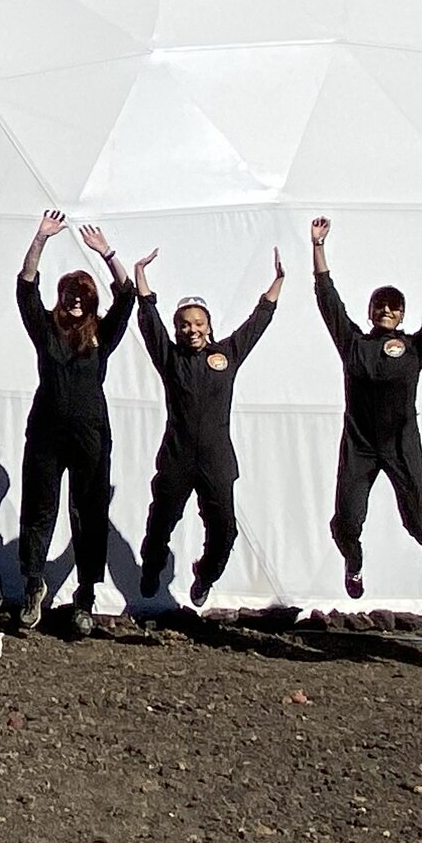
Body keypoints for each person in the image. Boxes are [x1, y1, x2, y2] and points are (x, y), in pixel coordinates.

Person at [311, 218, 422, 608]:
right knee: (347, 518)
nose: (386, 311)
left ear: (402, 314)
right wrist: (318, 248)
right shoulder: (354, 344)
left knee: (419, 518)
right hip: (360, 445)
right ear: (372, 310)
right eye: (381, 305)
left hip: (400, 444)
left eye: (394, 306)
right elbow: (328, 302)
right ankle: (353, 562)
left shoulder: (413, 348)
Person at [133, 245, 286, 609]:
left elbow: (257, 323)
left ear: (209, 326)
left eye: (198, 323)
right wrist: (140, 275)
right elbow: (148, 320)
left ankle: (206, 575)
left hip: (217, 459)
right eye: (185, 324)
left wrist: (278, 281)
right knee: (161, 521)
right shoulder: (170, 358)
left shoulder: (227, 355)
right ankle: (152, 568)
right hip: (177, 457)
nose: (191, 330)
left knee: (224, 530)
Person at [13, 212, 136, 636]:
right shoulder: (46, 328)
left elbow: (127, 294)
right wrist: (40, 239)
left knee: (89, 511)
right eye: (69, 293)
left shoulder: (102, 332)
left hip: (91, 434)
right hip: (46, 431)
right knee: (39, 508)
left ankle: (85, 597)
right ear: (61, 296)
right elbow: (26, 287)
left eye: (82, 294)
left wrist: (108, 253)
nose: (75, 301)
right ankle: (33, 586)